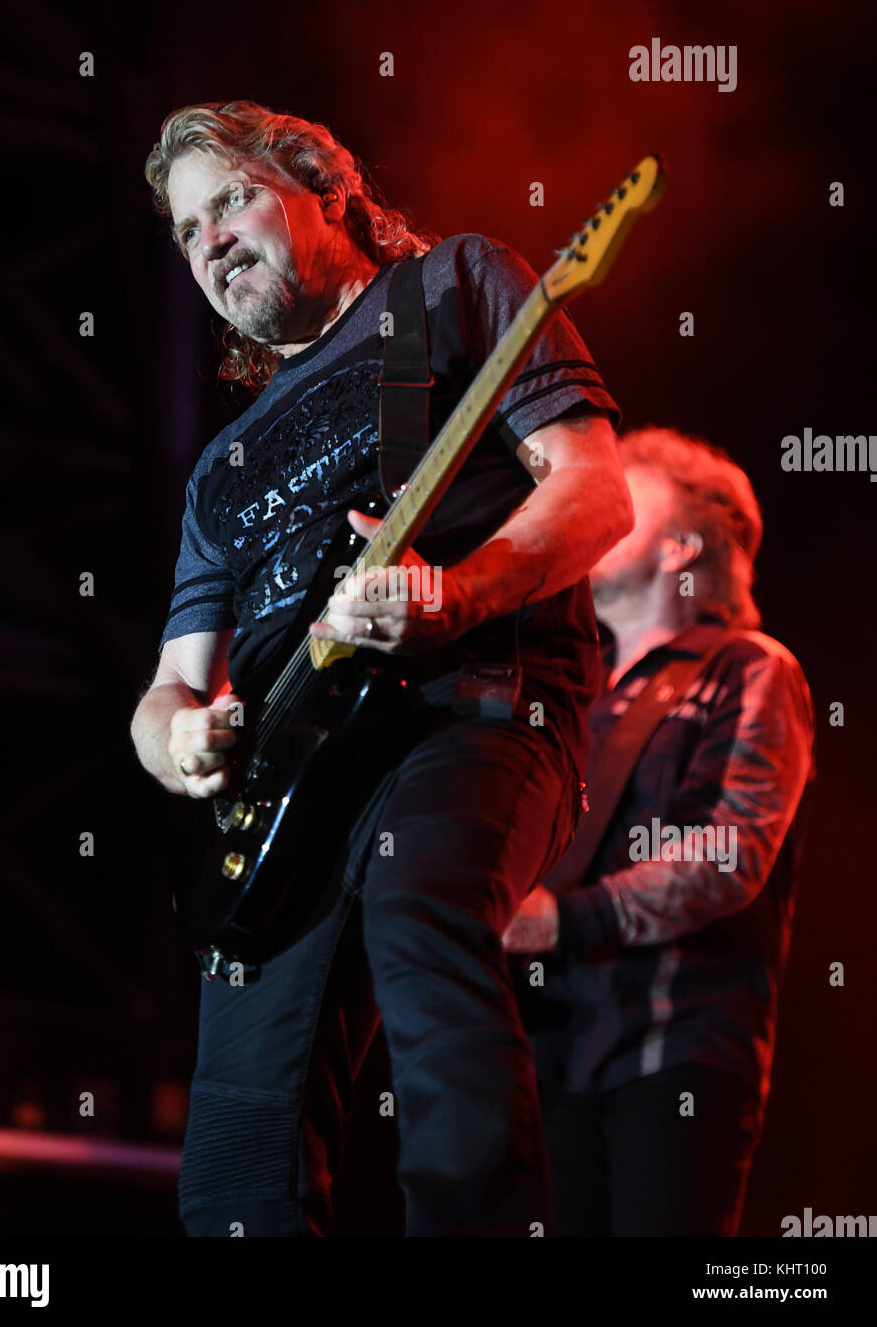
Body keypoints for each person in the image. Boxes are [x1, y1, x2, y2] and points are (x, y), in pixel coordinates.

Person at [130, 99, 633, 1237]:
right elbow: (166, 689)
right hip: (285, 790)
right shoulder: (221, 465)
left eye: (233, 200)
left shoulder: (453, 288)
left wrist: (454, 593)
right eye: (186, 230)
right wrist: (178, 738)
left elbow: (596, 494)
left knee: (424, 926)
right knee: (231, 1158)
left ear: (326, 189)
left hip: (470, 707)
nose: (209, 239)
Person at [504, 427, 814, 1236]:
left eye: (624, 504)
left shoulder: (750, 666)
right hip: (554, 1048)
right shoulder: (580, 691)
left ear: (679, 545)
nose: (595, 516)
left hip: (674, 1047)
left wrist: (562, 919)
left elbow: (729, 850)